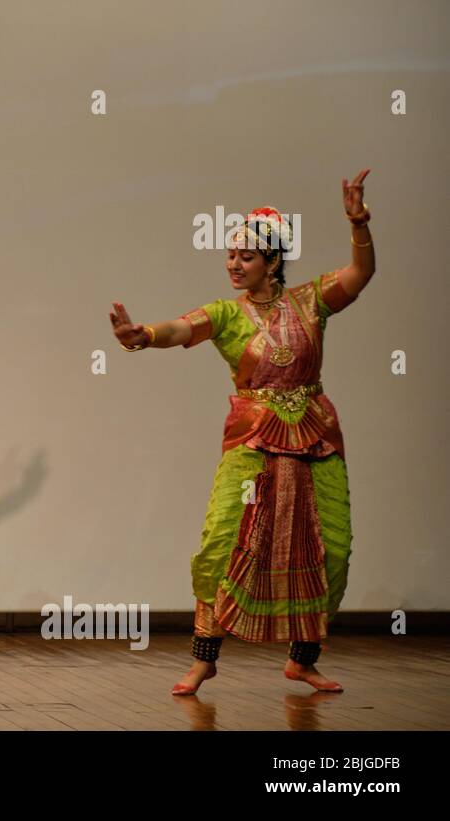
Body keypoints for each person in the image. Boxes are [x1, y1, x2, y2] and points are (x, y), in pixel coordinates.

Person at [108, 170, 375, 695]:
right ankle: (204, 659)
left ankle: (303, 659)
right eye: (230, 255)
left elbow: (361, 274)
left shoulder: (311, 300)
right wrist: (144, 335)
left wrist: (358, 221)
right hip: (253, 438)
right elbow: (182, 328)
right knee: (221, 543)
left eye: (246, 256)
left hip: (316, 438)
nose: (233, 264)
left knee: (331, 550)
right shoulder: (227, 315)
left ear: (273, 261)